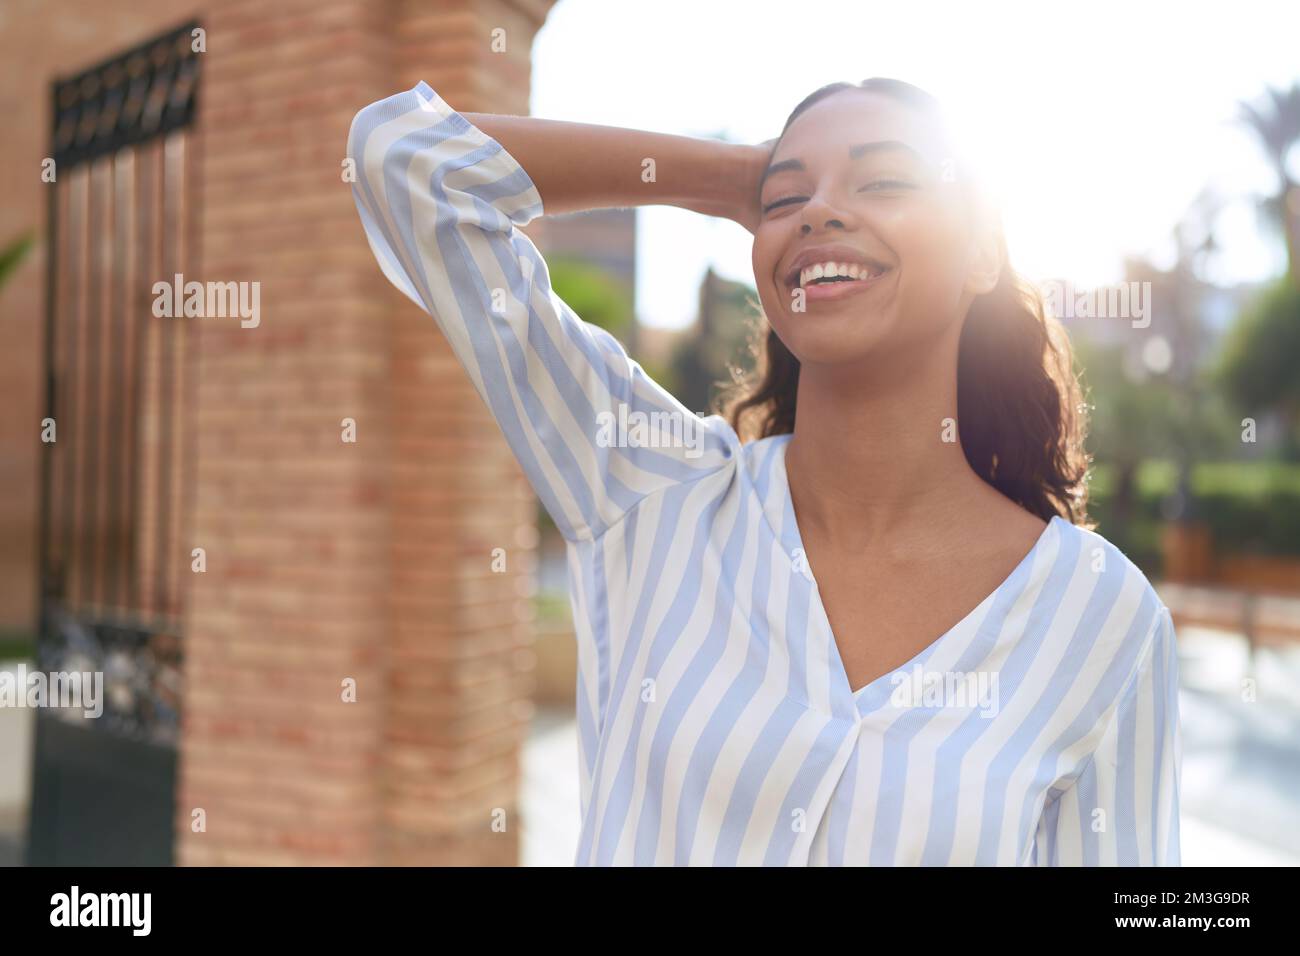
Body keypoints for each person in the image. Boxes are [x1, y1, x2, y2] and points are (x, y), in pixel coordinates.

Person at [347, 77, 1181, 866]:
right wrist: (729, 177)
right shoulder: (649, 494)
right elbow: (406, 157)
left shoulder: (1101, 619)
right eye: (786, 200)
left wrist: (790, 180)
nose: (819, 210)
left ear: (980, 255)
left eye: (884, 180)